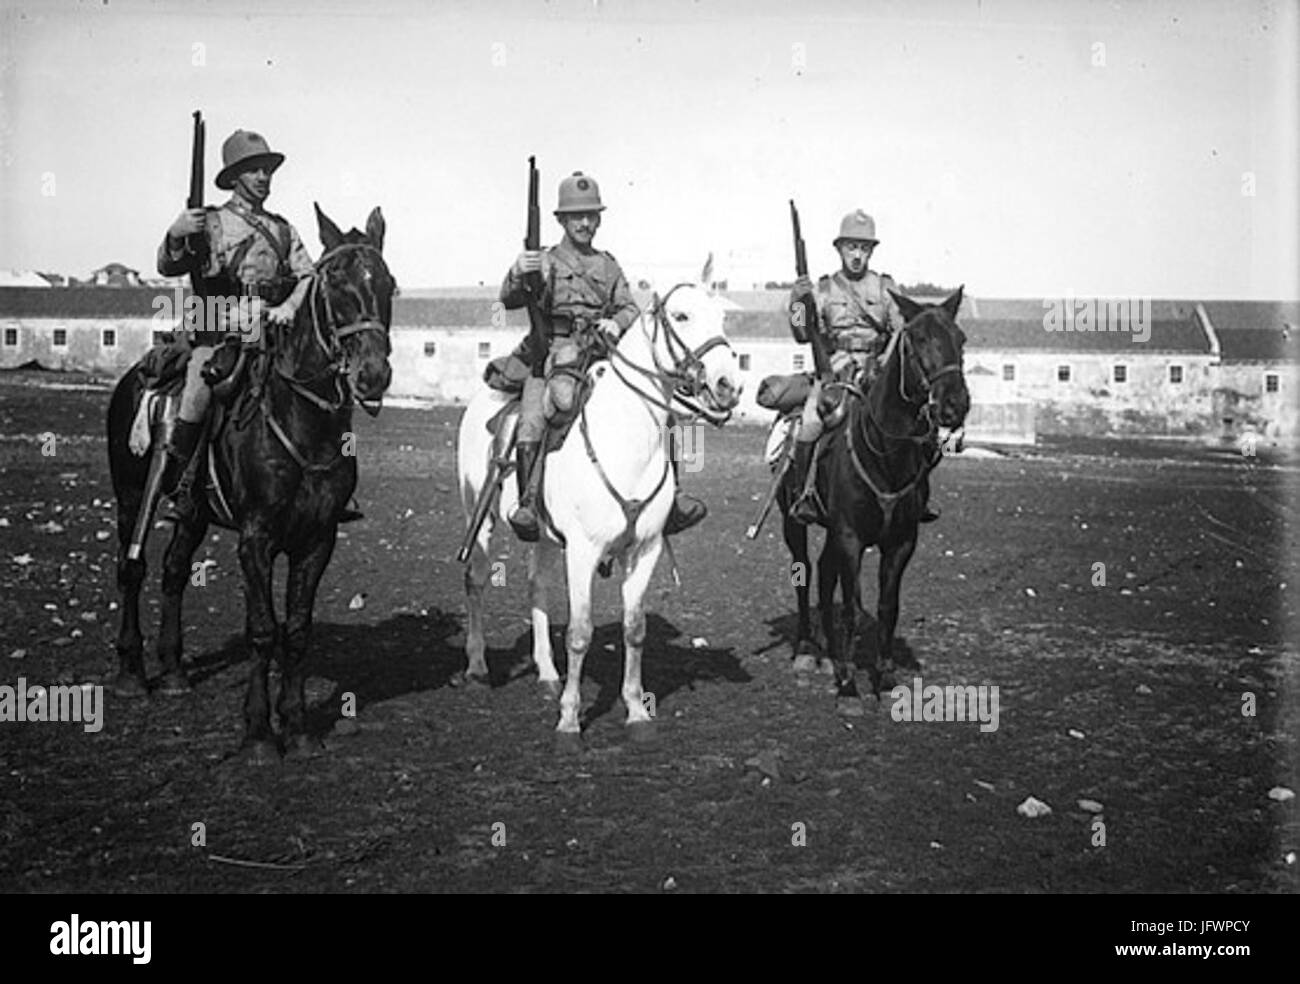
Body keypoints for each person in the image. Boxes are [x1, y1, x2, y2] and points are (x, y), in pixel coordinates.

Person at [498, 171, 707, 541]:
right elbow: (509, 300)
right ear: (561, 220)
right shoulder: (543, 262)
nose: (585, 223)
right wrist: (518, 271)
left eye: (591, 216)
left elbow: (630, 308)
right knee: (540, 412)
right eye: (577, 216)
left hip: (602, 353)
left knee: (668, 411)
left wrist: (615, 321)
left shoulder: (608, 265)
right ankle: (528, 501)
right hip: (554, 353)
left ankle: (673, 497)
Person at [155, 129, 314, 523]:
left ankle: (325, 488)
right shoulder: (207, 222)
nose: (263, 177)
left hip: (274, 334)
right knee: (200, 385)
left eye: (267, 170)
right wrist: (176, 235)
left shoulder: (282, 229)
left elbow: (308, 277)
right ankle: (182, 485)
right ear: (234, 176)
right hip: (219, 329)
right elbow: (169, 265)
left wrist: (291, 307)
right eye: (254, 170)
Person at [786, 209, 940, 525]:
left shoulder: (885, 288)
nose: (857, 255)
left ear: (871, 251)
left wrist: (885, 359)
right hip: (836, 371)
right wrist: (797, 300)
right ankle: (807, 494)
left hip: (879, 371)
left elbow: (902, 328)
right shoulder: (824, 289)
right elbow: (802, 333)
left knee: (921, 424)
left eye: (863, 248)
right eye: (851, 247)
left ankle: (918, 497)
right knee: (811, 423)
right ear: (839, 249)